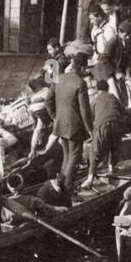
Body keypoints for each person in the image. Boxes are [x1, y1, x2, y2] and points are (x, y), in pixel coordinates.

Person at [49, 47, 93, 188]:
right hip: (74, 127)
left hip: (60, 124)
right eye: (84, 68)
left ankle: (60, 184)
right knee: (74, 156)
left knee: (67, 156)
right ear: (81, 66)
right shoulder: (80, 83)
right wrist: (90, 129)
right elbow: (85, 110)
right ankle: (67, 190)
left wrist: (55, 117)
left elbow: (47, 100)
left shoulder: (59, 78)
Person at [85, 78, 125, 183]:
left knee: (95, 151)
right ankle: (112, 166)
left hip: (103, 126)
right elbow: (122, 111)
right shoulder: (113, 97)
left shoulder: (95, 100)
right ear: (107, 88)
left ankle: (90, 178)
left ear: (98, 90)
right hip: (116, 125)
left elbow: (90, 116)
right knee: (113, 145)